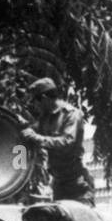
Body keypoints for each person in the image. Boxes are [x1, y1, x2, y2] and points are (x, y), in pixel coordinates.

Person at [19, 78, 95, 206]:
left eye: (35, 101)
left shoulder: (71, 115)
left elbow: (67, 143)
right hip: (59, 184)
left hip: (77, 185)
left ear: (44, 98)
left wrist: (36, 137)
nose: (35, 106)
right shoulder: (45, 118)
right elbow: (26, 139)